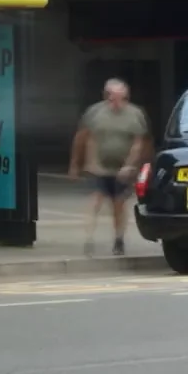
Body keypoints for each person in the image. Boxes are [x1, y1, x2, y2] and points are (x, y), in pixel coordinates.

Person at [68, 78, 152, 257]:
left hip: (122, 169)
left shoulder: (135, 114)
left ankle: (119, 239)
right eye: (113, 97)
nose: (116, 102)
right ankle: (89, 240)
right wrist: (80, 163)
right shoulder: (95, 113)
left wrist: (130, 166)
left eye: (121, 97)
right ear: (107, 96)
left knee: (118, 205)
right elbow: (85, 138)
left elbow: (138, 143)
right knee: (95, 200)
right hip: (99, 167)